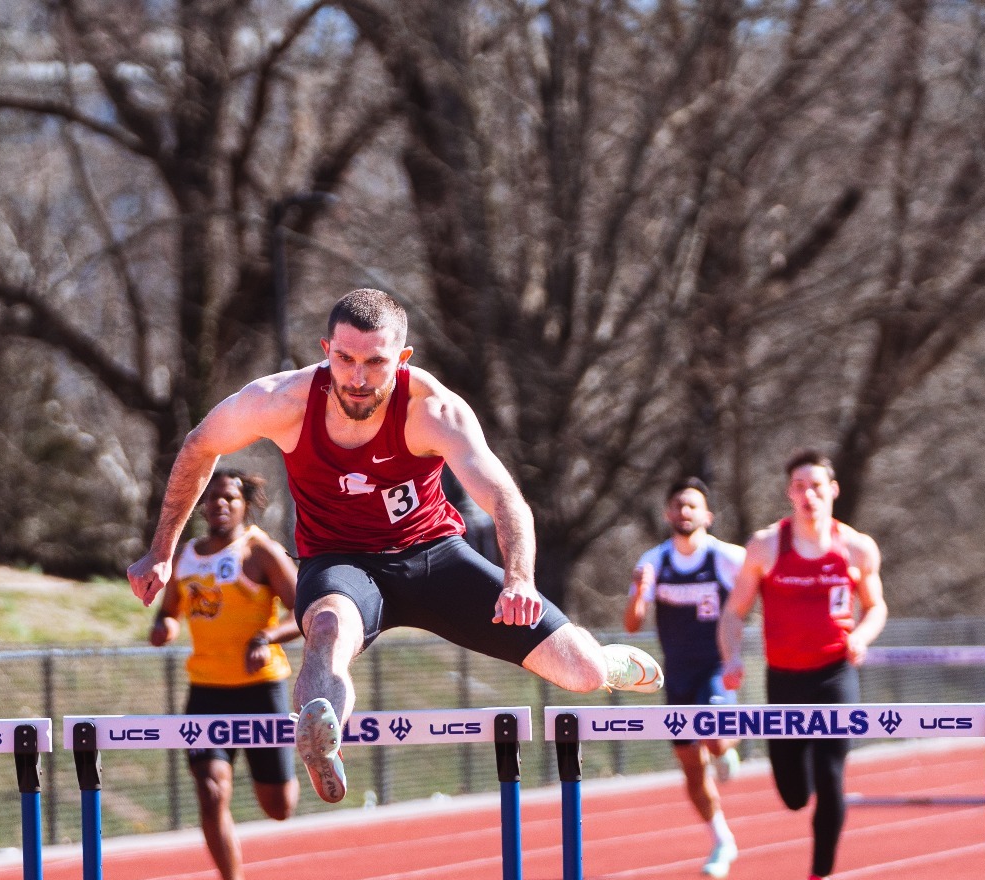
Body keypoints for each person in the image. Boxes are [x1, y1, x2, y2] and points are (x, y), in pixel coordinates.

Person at [128, 288, 662, 803]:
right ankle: (322, 739)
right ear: (326, 352)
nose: (358, 379)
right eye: (345, 359)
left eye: (376, 363)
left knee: (582, 674)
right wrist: (161, 549)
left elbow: (505, 498)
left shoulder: (433, 410)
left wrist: (519, 577)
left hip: (432, 557)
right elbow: (200, 447)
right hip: (340, 563)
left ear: (402, 359)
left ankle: (603, 663)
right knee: (329, 628)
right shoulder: (283, 400)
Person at [718, 451, 886, 880]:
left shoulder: (856, 549)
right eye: (799, 487)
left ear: (833, 490)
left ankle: (819, 878)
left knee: (832, 776)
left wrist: (863, 637)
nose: (808, 495)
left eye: (816, 486)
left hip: (834, 674)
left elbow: (875, 606)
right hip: (784, 678)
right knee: (793, 794)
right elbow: (734, 613)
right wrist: (732, 656)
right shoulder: (766, 547)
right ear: (789, 492)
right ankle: (801, 773)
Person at [150, 469, 303, 880]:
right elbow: (170, 609)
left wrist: (266, 635)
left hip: (262, 689)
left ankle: (300, 761)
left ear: (245, 504)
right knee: (211, 788)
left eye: (229, 497)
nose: (219, 505)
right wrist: (165, 628)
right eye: (212, 498)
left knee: (278, 808)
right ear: (201, 504)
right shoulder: (188, 557)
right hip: (208, 690)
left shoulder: (259, 551)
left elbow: (306, 610)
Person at [625, 478, 746, 877]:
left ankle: (726, 747)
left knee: (712, 729)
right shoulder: (654, 561)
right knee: (691, 768)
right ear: (667, 513)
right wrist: (639, 596)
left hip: (714, 668)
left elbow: (753, 594)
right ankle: (721, 838)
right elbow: (631, 625)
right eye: (677, 505)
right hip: (676, 676)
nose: (684, 512)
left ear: (707, 515)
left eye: (692, 505)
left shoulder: (727, 558)